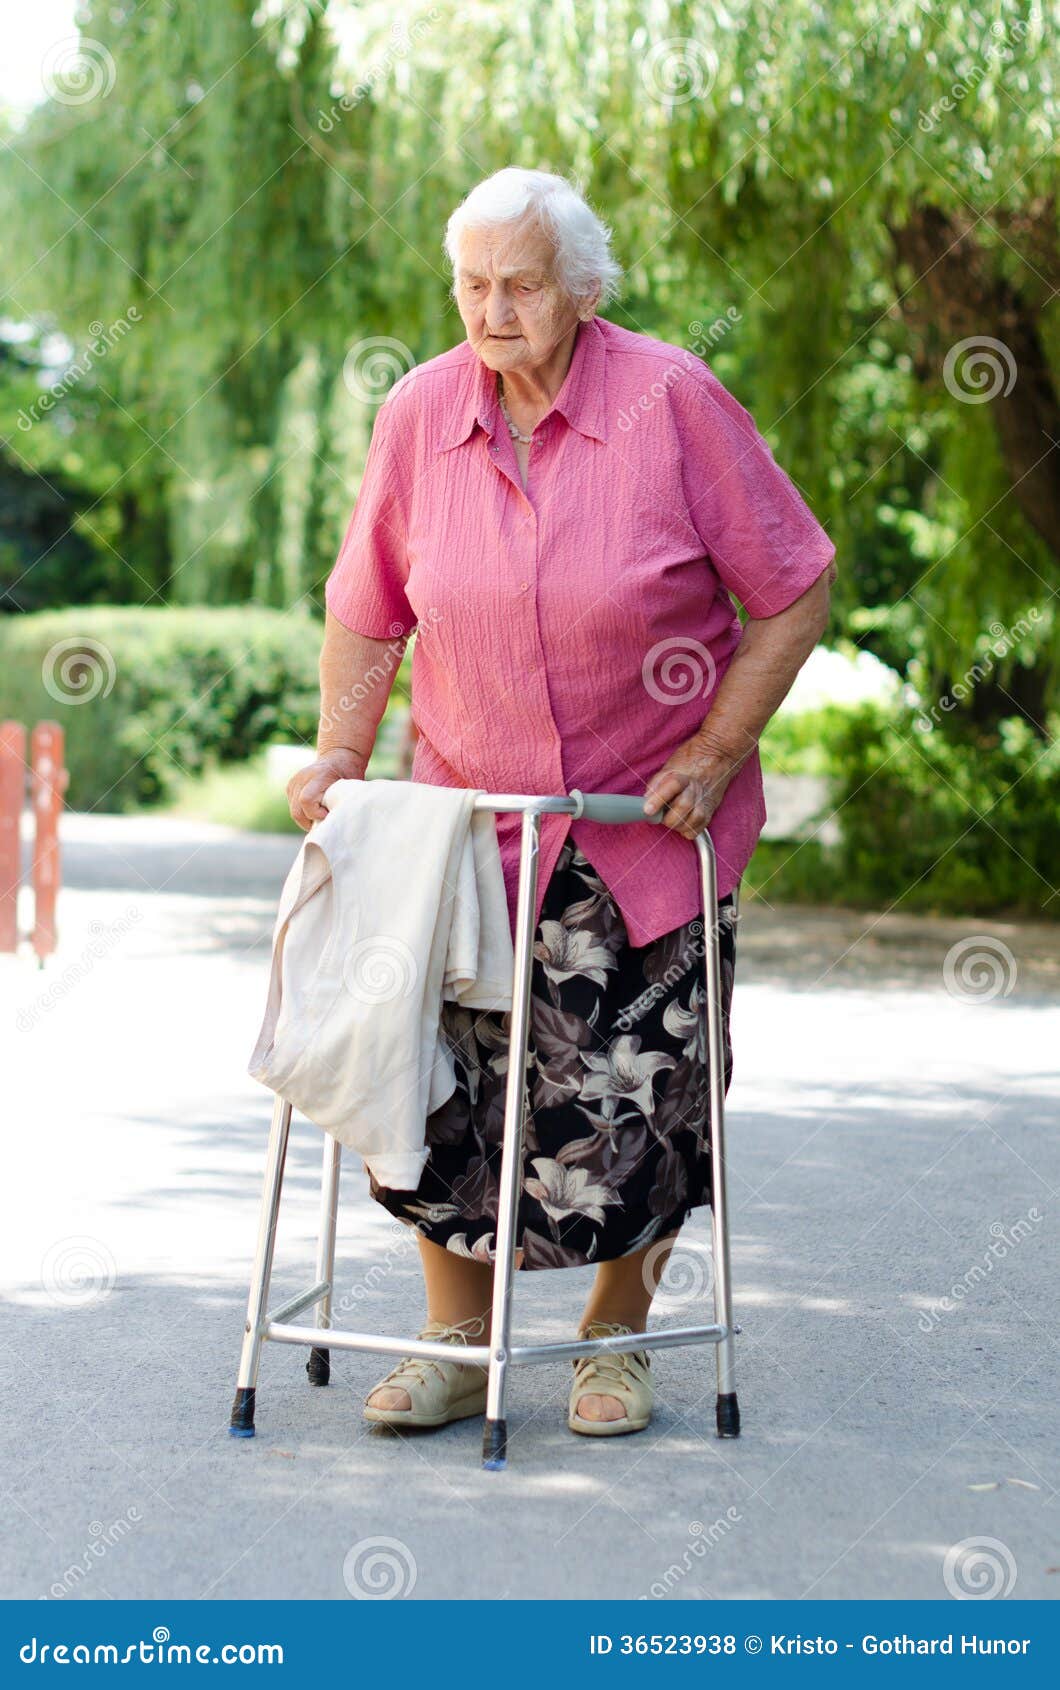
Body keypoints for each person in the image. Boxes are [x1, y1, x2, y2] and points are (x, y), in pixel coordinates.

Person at [287, 166, 836, 1438]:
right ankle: (453, 1340)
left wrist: (717, 748)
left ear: (583, 290)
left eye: (520, 286)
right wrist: (338, 756)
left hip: (641, 826)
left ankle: (614, 1339)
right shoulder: (420, 413)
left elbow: (792, 589)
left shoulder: (671, 398)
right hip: (464, 826)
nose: (492, 310)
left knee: (635, 1096)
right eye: (471, 285)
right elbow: (367, 609)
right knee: (442, 1088)